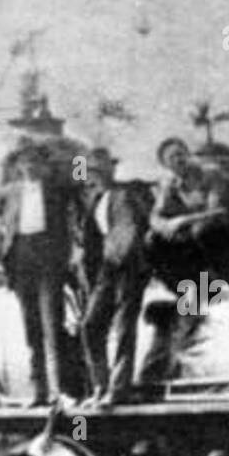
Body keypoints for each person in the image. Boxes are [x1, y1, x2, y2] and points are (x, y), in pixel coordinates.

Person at [0, 139, 80, 406]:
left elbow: (80, 199)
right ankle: (40, 391)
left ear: (45, 165)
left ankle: (62, 391)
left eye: (36, 161)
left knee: (53, 326)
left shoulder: (57, 189)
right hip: (21, 258)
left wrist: (74, 245)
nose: (30, 166)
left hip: (50, 258)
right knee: (31, 328)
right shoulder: (8, 192)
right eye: (25, 162)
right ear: (18, 166)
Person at [138, 137, 229, 383]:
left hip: (221, 232)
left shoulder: (210, 175)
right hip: (190, 241)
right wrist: (167, 225)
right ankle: (182, 285)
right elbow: (157, 217)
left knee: (201, 231)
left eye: (180, 153)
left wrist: (184, 221)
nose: (178, 160)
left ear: (188, 153)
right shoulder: (171, 185)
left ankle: (221, 277)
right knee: (152, 240)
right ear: (166, 165)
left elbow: (218, 211)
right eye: (171, 158)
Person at [78, 147, 152, 405]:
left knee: (123, 328)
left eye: (101, 169)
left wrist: (120, 258)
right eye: (92, 171)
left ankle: (118, 389)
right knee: (90, 325)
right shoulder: (95, 200)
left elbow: (132, 231)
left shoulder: (126, 195)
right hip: (106, 269)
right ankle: (100, 386)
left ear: (112, 170)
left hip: (129, 267)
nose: (96, 175)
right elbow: (91, 239)